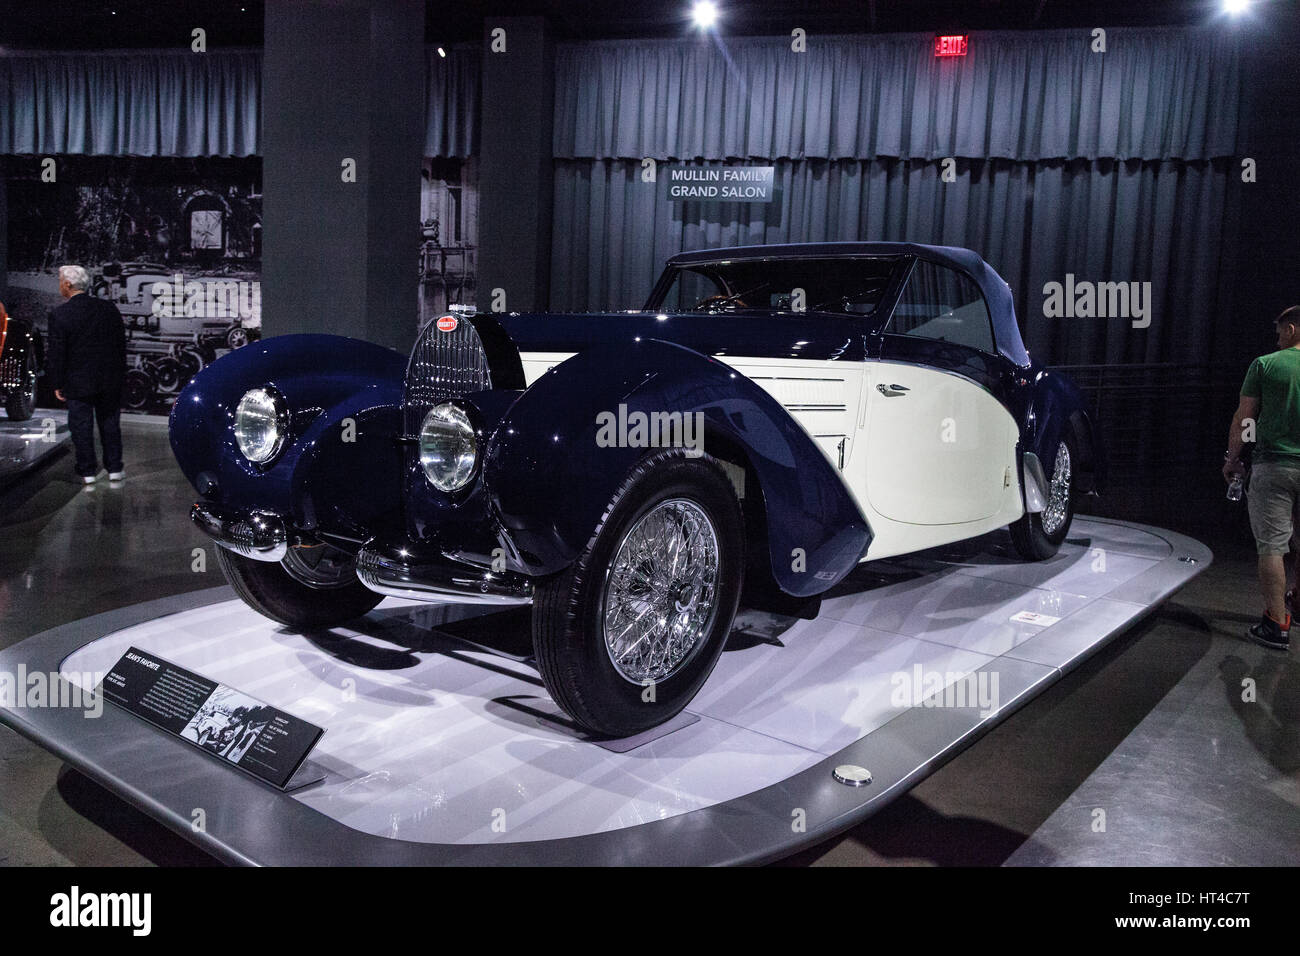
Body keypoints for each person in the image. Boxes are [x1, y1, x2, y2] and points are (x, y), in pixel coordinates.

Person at [1224, 305, 1300, 651]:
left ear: (1292, 330)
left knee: (1273, 545)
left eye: (1280, 331)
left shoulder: (1266, 365)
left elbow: (1246, 418)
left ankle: (1276, 623)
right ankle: (1296, 605)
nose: (1278, 337)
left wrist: (1234, 458)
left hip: (1275, 466)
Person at [47, 265, 127, 484]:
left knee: (81, 426)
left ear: (67, 284)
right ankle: (114, 468)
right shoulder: (108, 309)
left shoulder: (59, 314)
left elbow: (57, 352)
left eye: (60, 281)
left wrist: (56, 382)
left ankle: (88, 471)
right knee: (110, 424)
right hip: (109, 379)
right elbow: (121, 345)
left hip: (77, 381)